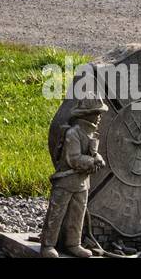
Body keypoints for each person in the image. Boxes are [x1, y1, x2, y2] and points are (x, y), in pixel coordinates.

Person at [40, 97, 108, 257]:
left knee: (77, 215)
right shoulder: (74, 133)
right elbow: (74, 159)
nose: (100, 117)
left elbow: (89, 153)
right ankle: (48, 245)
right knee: (57, 214)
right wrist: (93, 161)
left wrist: (97, 157)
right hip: (66, 181)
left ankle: (73, 243)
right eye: (97, 113)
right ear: (87, 114)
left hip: (82, 183)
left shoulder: (90, 134)